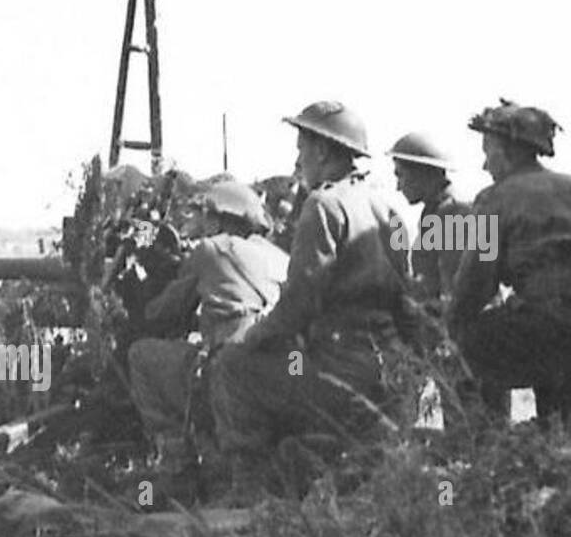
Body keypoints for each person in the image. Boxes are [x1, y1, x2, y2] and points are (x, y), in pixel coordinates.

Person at [209, 101, 415, 457]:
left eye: (301, 148)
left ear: (321, 150)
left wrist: (252, 337)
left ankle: (249, 483)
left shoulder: (323, 205)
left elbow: (299, 304)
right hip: (388, 372)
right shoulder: (389, 209)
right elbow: (407, 293)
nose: (299, 158)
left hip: (338, 371)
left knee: (232, 365)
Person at [448, 100, 571, 421]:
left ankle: (484, 444)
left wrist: (451, 327)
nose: (485, 165)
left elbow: (474, 285)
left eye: (488, 152)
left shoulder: (494, 199)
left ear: (508, 151)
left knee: (462, 347)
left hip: (541, 338)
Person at [127, 179, 288, 478]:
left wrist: (138, 293)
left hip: (228, 366)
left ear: (219, 217)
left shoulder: (211, 250)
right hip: (276, 365)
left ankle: (177, 460)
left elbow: (164, 312)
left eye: (206, 214)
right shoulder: (277, 256)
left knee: (140, 355)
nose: (201, 221)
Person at [387, 132, 473, 305]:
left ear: (422, 173)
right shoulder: (436, 211)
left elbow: (457, 294)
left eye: (400, 175)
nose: (397, 186)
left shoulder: (455, 214)